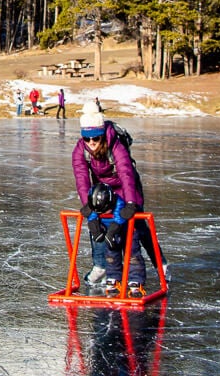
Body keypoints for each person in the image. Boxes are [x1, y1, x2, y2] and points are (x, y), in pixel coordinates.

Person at [73, 103, 150, 298]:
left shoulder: (116, 145)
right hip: (103, 194)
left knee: (134, 232)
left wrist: (131, 203)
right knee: (105, 236)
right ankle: (103, 268)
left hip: (126, 189)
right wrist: (89, 210)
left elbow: (126, 173)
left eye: (95, 138)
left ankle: (158, 265)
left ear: (102, 135)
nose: (91, 142)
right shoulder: (80, 150)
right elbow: (81, 180)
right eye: (86, 138)